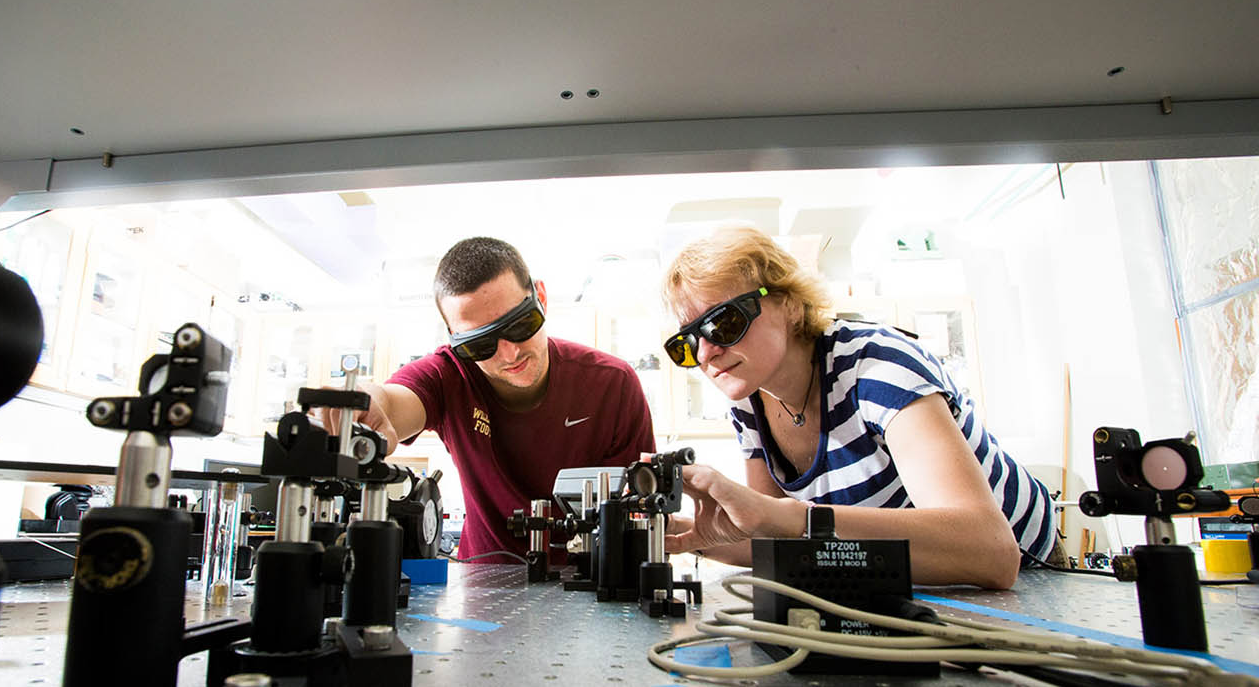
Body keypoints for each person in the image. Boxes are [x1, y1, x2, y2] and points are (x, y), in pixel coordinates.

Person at [658, 225, 1054, 589]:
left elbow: (990, 551)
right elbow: (773, 540)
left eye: (723, 323)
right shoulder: (751, 401)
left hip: (1035, 574)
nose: (707, 352)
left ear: (790, 304)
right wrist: (678, 531)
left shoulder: (878, 367)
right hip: (919, 579)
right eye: (688, 342)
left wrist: (794, 517)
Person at [341, 237, 655, 563]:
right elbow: (392, 404)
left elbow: (639, 509)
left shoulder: (612, 384)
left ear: (542, 298)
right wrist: (367, 402)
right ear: (454, 340)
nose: (510, 353)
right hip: (483, 589)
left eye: (520, 325)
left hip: (591, 584)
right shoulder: (450, 375)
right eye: (480, 343)